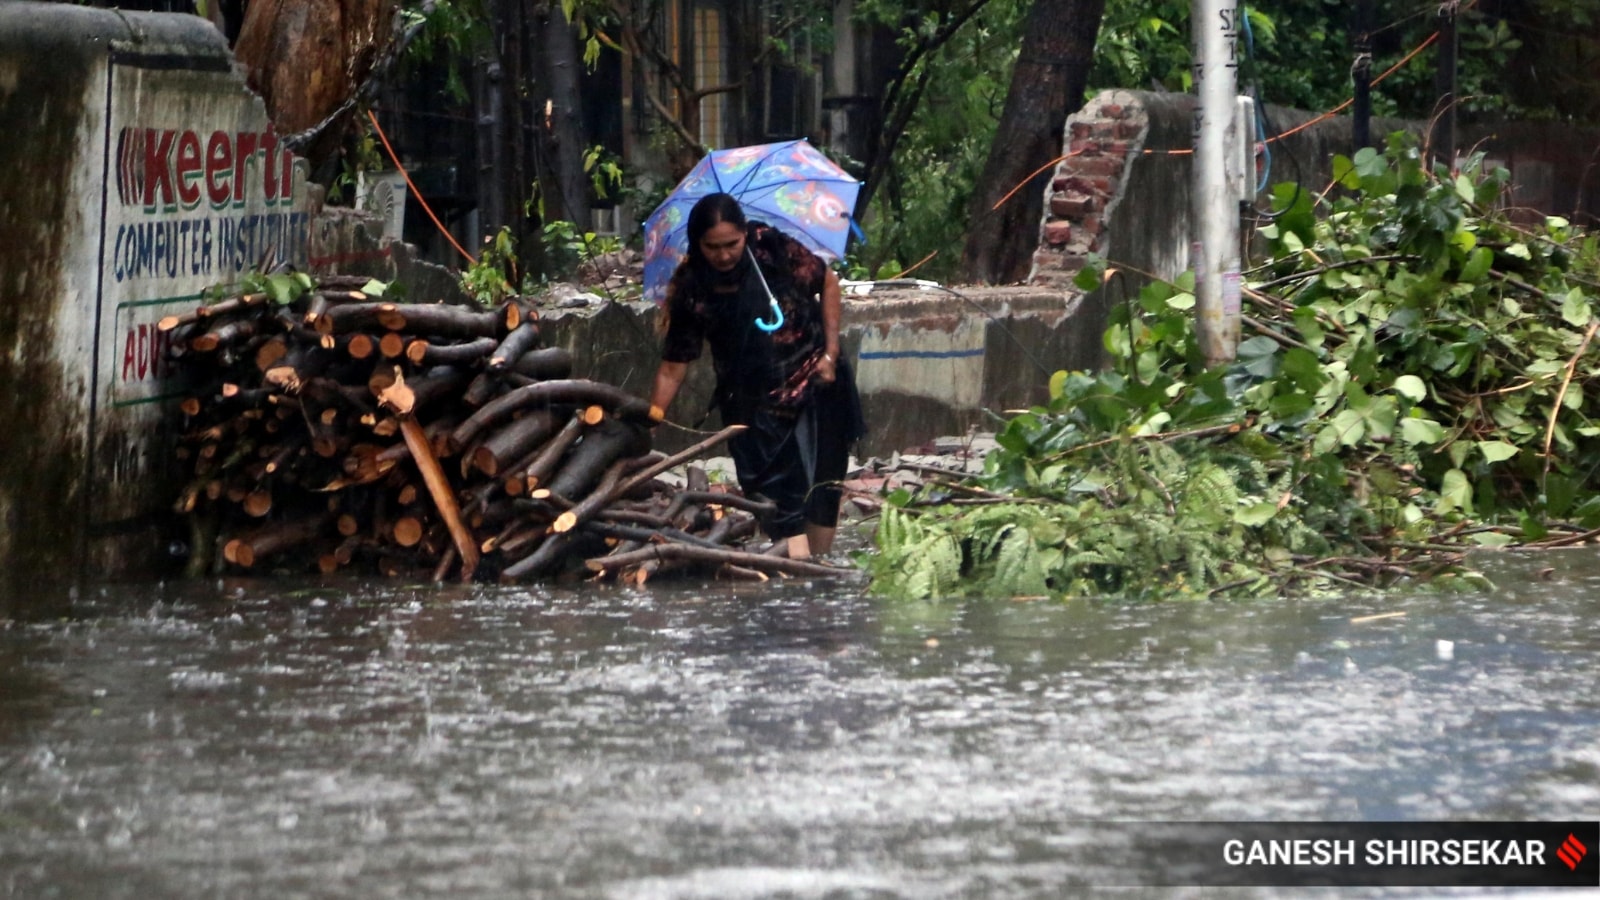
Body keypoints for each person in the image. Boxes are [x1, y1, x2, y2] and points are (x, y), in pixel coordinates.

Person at [648, 192, 865, 559]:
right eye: (712, 247)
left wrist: (831, 353)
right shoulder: (693, 287)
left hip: (815, 380)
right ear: (697, 244)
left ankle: (819, 572)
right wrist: (652, 417)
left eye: (732, 244)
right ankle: (799, 576)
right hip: (750, 401)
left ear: (745, 234)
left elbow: (828, 282)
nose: (723, 255)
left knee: (824, 482)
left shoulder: (773, 250)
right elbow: (674, 366)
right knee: (777, 497)